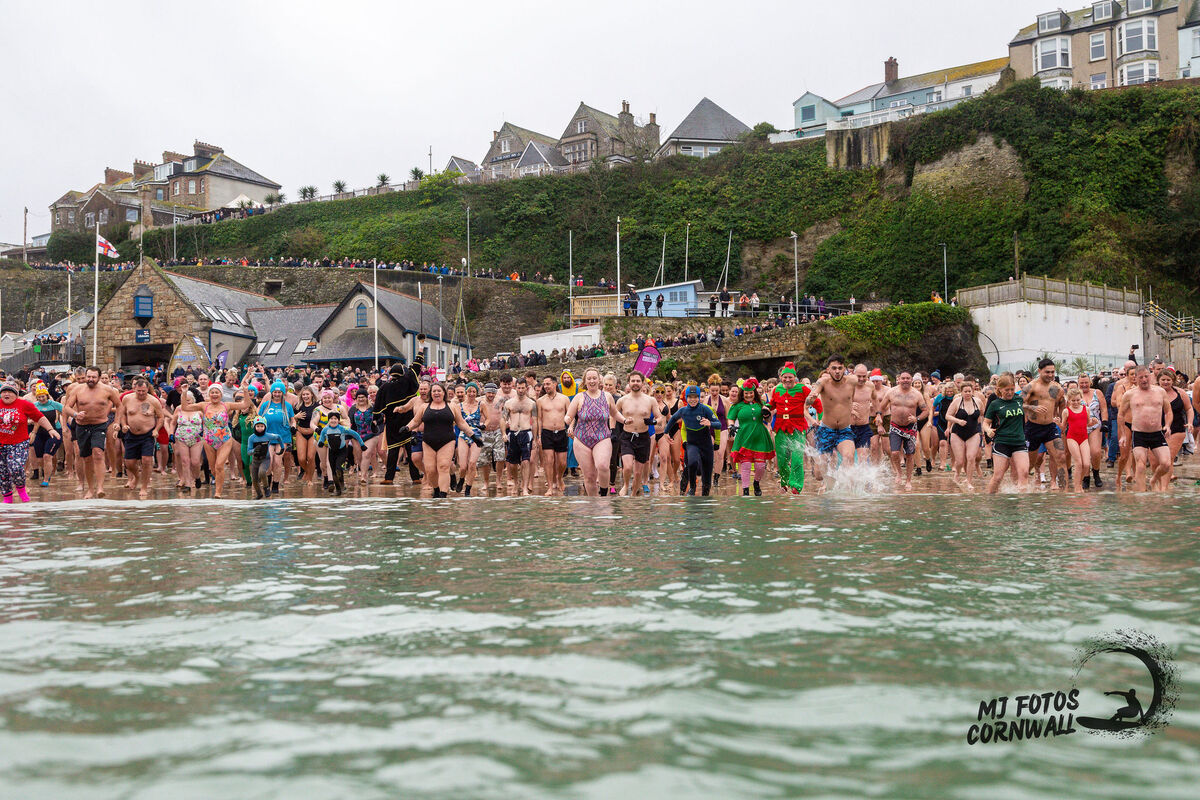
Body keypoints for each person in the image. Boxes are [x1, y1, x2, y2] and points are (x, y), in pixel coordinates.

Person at [399, 382, 480, 497]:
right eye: (434, 391)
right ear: (431, 394)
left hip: (447, 441)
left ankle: (443, 494)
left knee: (443, 467)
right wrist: (407, 428)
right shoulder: (424, 407)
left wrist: (473, 436)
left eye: (439, 391)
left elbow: (461, 423)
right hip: (428, 441)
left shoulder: (452, 406)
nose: (436, 393)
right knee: (430, 470)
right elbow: (416, 421)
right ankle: (436, 490)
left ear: (444, 393)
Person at [176, 384, 253, 500]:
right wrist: (184, 393)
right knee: (213, 469)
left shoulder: (227, 405)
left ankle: (218, 492)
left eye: (217, 392)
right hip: (208, 440)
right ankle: (218, 483)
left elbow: (245, 404)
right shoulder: (204, 405)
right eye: (212, 392)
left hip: (225, 439)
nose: (214, 394)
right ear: (209, 394)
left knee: (219, 465)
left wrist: (245, 391)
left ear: (221, 394)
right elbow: (185, 407)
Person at [63, 366, 121, 499]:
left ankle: (100, 487)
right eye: (88, 376)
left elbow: (119, 405)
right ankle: (90, 489)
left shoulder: (107, 390)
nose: (90, 379)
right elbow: (67, 407)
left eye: (93, 377)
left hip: (99, 425)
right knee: (87, 459)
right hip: (82, 426)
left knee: (98, 453)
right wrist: (76, 414)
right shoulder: (78, 390)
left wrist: (117, 422)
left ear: (99, 377)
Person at [565, 367, 623, 496]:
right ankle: (593, 501)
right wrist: (567, 419)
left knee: (603, 466)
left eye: (594, 378)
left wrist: (625, 420)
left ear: (599, 380)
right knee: (589, 476)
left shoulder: (607, 396)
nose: (592, 381)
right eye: (589, 378)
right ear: (585, 381)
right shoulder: (579, 397)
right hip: (582, 439)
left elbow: (614, 413)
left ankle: (603, 495)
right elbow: (569, 415)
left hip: (602, 436)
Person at [1, 381, 60, 503]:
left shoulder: (24, 404)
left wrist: (50, 429)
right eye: (4, 392)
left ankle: (21, 490)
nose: (6, 394)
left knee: (16, 467)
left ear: (16, 394)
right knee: (3, 473)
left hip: (19, 443)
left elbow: (40, 417)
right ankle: (8, 500)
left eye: (10, 392)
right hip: (1, 444)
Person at [374, 347, 424, 485]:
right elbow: (416, 368)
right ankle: (416, 478)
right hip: (408, 421)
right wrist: (420, 352)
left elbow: (377, 407)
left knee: (393, 451)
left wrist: (375, 419)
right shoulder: (407, 381)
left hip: (392, 423)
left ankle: (389, 478)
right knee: (411, 449)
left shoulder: (384, 387)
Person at [1118, 365, 1172, 492]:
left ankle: (1153, 479)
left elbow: (1168, 411)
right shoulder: (1129, 394)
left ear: (1150, 376)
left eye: (1146, 376)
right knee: (1141, 466)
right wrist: (1123, 435)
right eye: (1141, 377)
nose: (1144, 380)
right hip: (1139, 434)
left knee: (1166, 464)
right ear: (1135, 378)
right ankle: (1142, 494)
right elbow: (1120, 414)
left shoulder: (1160, 392)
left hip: (1157, 433)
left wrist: (1168, 425)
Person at [666, 385, 722, 496]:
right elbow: (673, 419)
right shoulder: (683, 410)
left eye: (695, 397)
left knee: (706, 474)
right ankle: (692, 487)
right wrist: (666, 432)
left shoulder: (705, 409)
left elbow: (719, 424)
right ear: (686, 397)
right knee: (692, 463)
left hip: (706, 445)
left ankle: (705, 497)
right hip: (692, 444)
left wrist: (710, 423)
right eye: (690, 397)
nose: (693, 399)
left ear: (699, 397)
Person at [116, 378, 166, 499]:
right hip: (131, 433)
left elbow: (161, 417)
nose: (141, 393)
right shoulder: (127, 398)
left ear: (147, 389)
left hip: (147, 434)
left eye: (143, 391)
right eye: (139, 391)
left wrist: (156, 429)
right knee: (129, 462)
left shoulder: (153, 401)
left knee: (146, 460)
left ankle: (144, 487)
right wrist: (123, 425)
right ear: (135, 389)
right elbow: (122, 413)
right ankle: (137, 476)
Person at [878, 371, 928, 491]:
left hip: (910, 428)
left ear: (911, 380)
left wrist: (916, 418)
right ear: (899, 379)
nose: (905, 380)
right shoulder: (891, 392)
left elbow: (926, 411)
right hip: (895, 426)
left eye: (908, 378)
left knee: (910, 455)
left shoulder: (916, 394)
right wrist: (879, 419)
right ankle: (899, 473)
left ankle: (908, 480)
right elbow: (881, 407)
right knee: (895, 453)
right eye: (903, 378)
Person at [615, 372, 661, 497]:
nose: (635, 383)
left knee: (637, 473)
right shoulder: (622, 400)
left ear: (642, 383)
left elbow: (659, 417)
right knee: (627, 467)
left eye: (638, 381)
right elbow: (613, 414)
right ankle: (625, 485)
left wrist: (653, 422)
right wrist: (617, 426)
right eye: (633, 381)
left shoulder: (650, 400)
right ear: (629, 383)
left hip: (643, 437)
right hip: (627, 436)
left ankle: (634, 495)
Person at [1023, 358, 1066, 490]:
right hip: (1033, 427)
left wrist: (1061, 420)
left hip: (1050, 427)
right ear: (1039, 371)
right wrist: (1032, 408)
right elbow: (1018, 404)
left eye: (1053, 372)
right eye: (1047, 372)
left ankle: (1055, 482)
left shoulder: (1057, 388)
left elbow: (1062, 404)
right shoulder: (1031, 386)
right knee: (1031, 462)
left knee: (1059, 455)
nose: (1051, 375)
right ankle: (1024, 482)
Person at [810, 355, 857, 474]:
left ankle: (842, 482)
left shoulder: (852, 381)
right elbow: (811, 396)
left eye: (840, 368)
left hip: (844, 430)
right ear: (828, 370)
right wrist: (812, 397)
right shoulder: (823, 382)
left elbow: (865, 388)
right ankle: (826, 479)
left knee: (849, 457)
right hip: (826, 430)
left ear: (844, 369)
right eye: (834, 368)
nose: (837, 371)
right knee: (819, 474)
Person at [982, 372, 1028, 494]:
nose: (1010, 392)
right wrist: (988, 430)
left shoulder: (1019, 400)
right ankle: (989, 499)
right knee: (998, 477)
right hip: (1002, 442)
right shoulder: (995, 404)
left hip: (1019, 441)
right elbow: (985, 423)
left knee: (1024, 473)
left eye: (1012, 389)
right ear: (1000, 389)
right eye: (1007, 390)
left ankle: (1021, 502)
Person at [770, 363, 812, 494]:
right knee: (782, 460)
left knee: (797, 458)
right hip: (781, 428)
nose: (787, 380)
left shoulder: (803, 388)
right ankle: (785, 482)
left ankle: (796, 486)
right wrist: (766, 408)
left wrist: (820, 418)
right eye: (785, 377)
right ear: (781, 377)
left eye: (790, 377)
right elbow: (772, 404)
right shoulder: (776, 389)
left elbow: (817, 402)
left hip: (798, 428)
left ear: (795, 377)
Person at [728, 378, 773, 496]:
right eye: (746, 393)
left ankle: (756, 483)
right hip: (744, 436)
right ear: (742, 393)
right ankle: (746, 490)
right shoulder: (737, 405)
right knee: (746, 465)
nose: (748, 395)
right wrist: (731, 426)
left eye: (751, 393)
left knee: (760, 466)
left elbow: (768, 420)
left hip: (759, 437)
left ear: (754, 392)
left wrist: (767, 415)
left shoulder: (761, 404)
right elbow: (731, 418)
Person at [943, 377, 982, 490]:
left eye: (969, 391)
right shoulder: (957, 401)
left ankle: (969, 481)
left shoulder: (978, 402)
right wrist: (958, 421)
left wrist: (983, 430)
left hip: (973, 433)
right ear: (961, 392)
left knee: (971, 457)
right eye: (965, 391)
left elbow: (982, 415)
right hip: (957, 433)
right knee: (960, 461)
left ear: (972, 391)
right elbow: (947, 416)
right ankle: (957, 473)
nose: (968, 393)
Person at [316, 411, 365, 496]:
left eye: (335, 419)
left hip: (342, 451)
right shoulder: (325, 429)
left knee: (338, 468)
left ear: (338, 420)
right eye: (331, 418)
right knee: (334, 472)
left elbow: (355, 434)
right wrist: (320, 442)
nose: (333, 420)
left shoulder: (342, 429)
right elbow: (322, 438)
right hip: (332, 452)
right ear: (328, 420)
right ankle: (339, 489)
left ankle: (341, 486)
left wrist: (362, 445)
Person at [536, 375, 571, 496]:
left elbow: (570, 415)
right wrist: (539, 435)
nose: (545, 386)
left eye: (548, 384)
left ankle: (559, 477)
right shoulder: (540, 401)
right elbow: (539, 419)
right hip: (547, 432)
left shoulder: (564, 399)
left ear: (555, 384)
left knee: (562, 462)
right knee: (549, 461)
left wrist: (571, 427)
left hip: (561, 432)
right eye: (544, 384)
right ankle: (550, 487)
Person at [1059, 386, 1095, 493]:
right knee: (1079, 463)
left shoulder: (1086, 409)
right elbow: (1063, 427)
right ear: (1069, 400)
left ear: (1081, 398)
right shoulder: (1066, 411)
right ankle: (1076, 487)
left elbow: (1088, 423)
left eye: (1078, 400)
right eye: (1073, 400)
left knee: (1086, 464)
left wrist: (1093, 422)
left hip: (1083, 437)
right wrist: (1057, 423)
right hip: (1072, 438)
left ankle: (1079, 483)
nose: (1075, 402)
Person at [1078, 373, 1108, 488]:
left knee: (1095, 452)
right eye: (1081, 383)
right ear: (1078, 383)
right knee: (1084, 453)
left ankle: (1096, 472)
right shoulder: (1075, 394)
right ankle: (1086, 477)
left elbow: (1104, 408)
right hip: (1080, 427)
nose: (1084, 385)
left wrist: (1105, 422)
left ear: (1090, 382)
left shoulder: (1097, 392)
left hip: (1095, 425)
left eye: (1086, 382)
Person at [30, 383, 62, 488]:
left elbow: (66, 411)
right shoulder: (34, 406)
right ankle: (47, 471)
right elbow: (27, 417)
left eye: (43, 396)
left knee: (47, 456)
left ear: (47, 395)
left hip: (54, 433)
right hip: (39, 434)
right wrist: (30, 423)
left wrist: (74, 417)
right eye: (39, 397)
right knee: (40, 459)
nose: (41, 399)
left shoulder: (54, 404)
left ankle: (46, 480)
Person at [246, 415, 284, 499]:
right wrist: (254, 451)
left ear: (265, 427)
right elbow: (248, 452)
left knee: (262, 472)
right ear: (254, 427)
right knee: (254, 480)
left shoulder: (268, 436)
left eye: (262, 426)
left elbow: (279, 437)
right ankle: (259, 494)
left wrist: (282, 448)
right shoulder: (251, 438)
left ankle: (266, 488)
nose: (260, 428)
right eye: (258, 426)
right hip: (255, 460)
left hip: (265, 459)